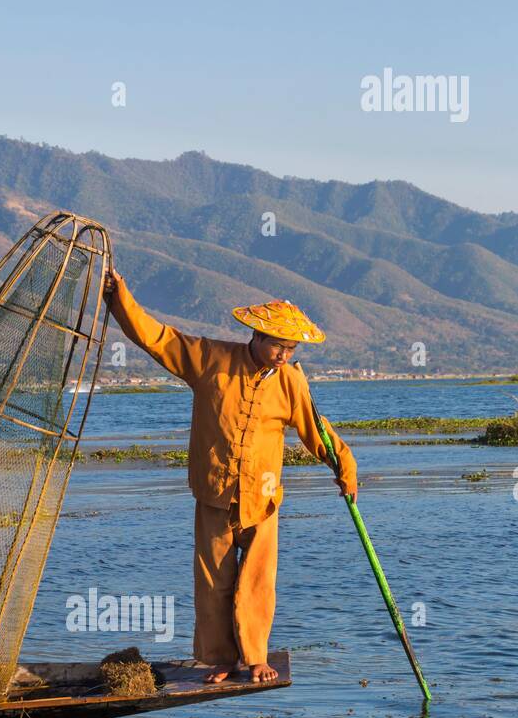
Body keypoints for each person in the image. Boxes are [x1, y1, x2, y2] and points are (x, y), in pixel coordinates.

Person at [104, 273, 358, 683]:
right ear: (255, 336)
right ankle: (220, 658)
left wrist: (344, 467)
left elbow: (317, 429)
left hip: (263, 499)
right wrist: (120, 299)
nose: (282, 355)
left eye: (290, 349)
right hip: (214, 495)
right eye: (277, 345)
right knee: (214, 583)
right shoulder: (210, 360)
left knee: (257, 584)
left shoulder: (291, 381)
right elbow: (157, 337)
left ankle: (256, 657)